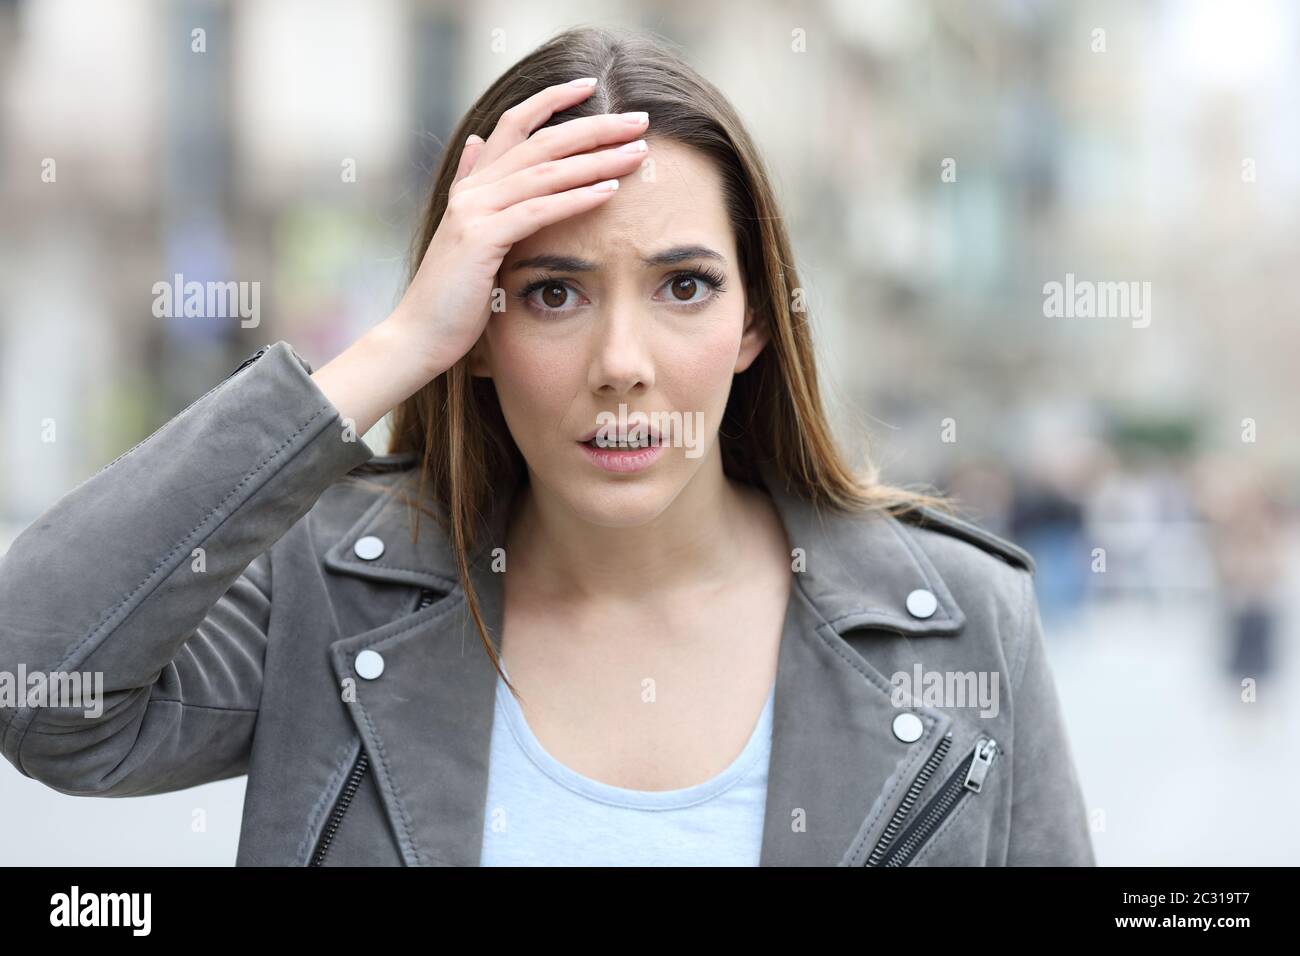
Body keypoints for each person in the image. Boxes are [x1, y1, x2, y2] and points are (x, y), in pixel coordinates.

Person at [0, 26, 1094, 866]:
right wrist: (386, 350)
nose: (622, 359)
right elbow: (37, 683)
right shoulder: (335, 592)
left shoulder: (957, 624)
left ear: (756, 321)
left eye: (684, 285)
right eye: (552, 291)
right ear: (473, 326)